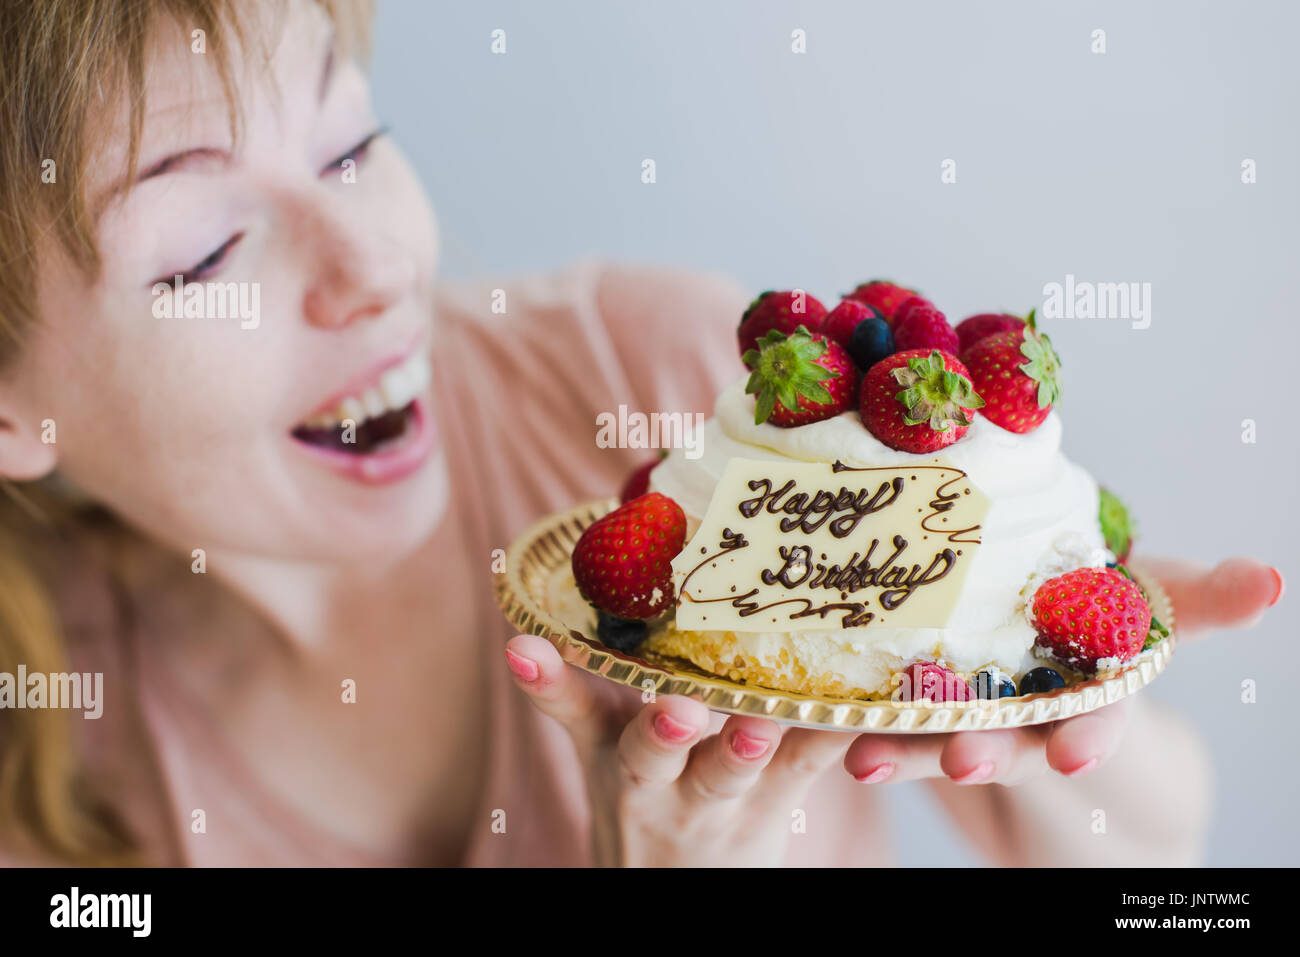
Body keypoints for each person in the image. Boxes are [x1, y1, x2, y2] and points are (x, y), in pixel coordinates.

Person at [0, 0, 1283, 867]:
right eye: (209, 252)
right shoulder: (52, 750)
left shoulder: (665, 384)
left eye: (352, 145)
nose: (376, 268)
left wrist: (1034, 677)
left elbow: (1155, 857)